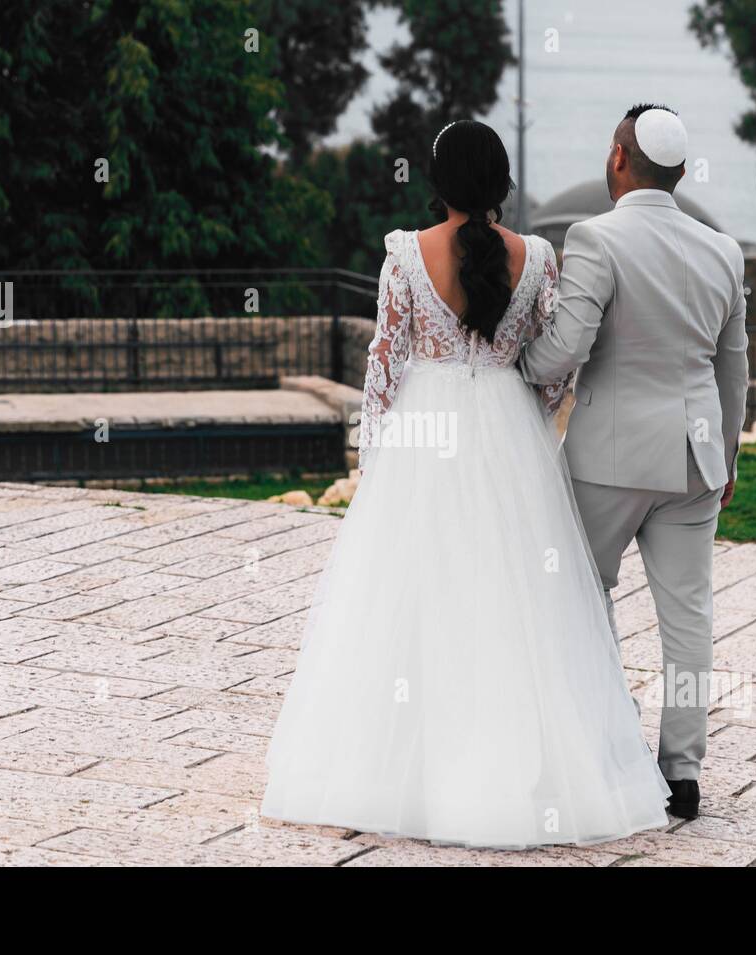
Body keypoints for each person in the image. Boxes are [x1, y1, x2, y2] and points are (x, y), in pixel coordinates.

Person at [261, 120, 670, 849]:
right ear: (501, 183)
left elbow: (382, 372)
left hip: (427, 431)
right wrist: (530, 423)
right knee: (514, 602)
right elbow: (556, 365)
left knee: (413, 599)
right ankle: (522, 770)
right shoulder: (539, 257)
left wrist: (375, 462)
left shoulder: (403, 257)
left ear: (438, 182)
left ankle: (400, 773)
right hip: (507, 429)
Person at [520, 104, 750, 820]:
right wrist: (730, 455)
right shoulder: (725, 251)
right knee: (689, 620)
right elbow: (734, 372)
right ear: (680, 173)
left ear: (620, 158)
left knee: (586, 600)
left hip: (608, 460)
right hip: (695, 460)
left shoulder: (596, 236)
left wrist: (513, 364)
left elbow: (565, 350)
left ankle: (606, 750)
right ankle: (682, 773)